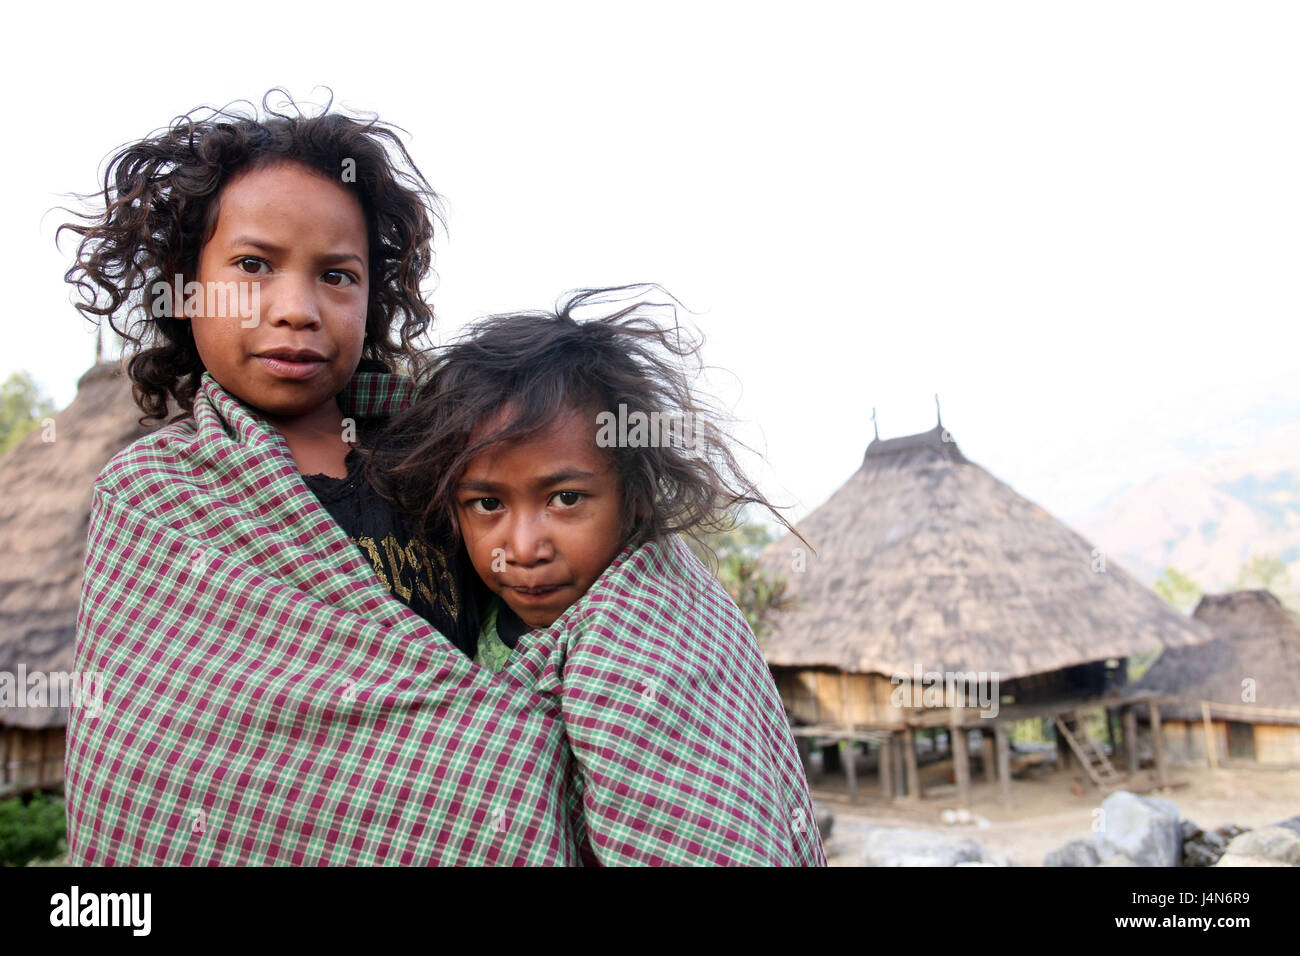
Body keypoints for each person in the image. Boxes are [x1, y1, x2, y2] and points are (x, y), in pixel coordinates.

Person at [60, 92, 824, 865]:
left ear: (374, 292)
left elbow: (618, 602)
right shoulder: (157, 499)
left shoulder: (442, 452)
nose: (296, 308)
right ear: (187, 285)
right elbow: (154, 766)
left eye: (338, 275)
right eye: (253, 266)